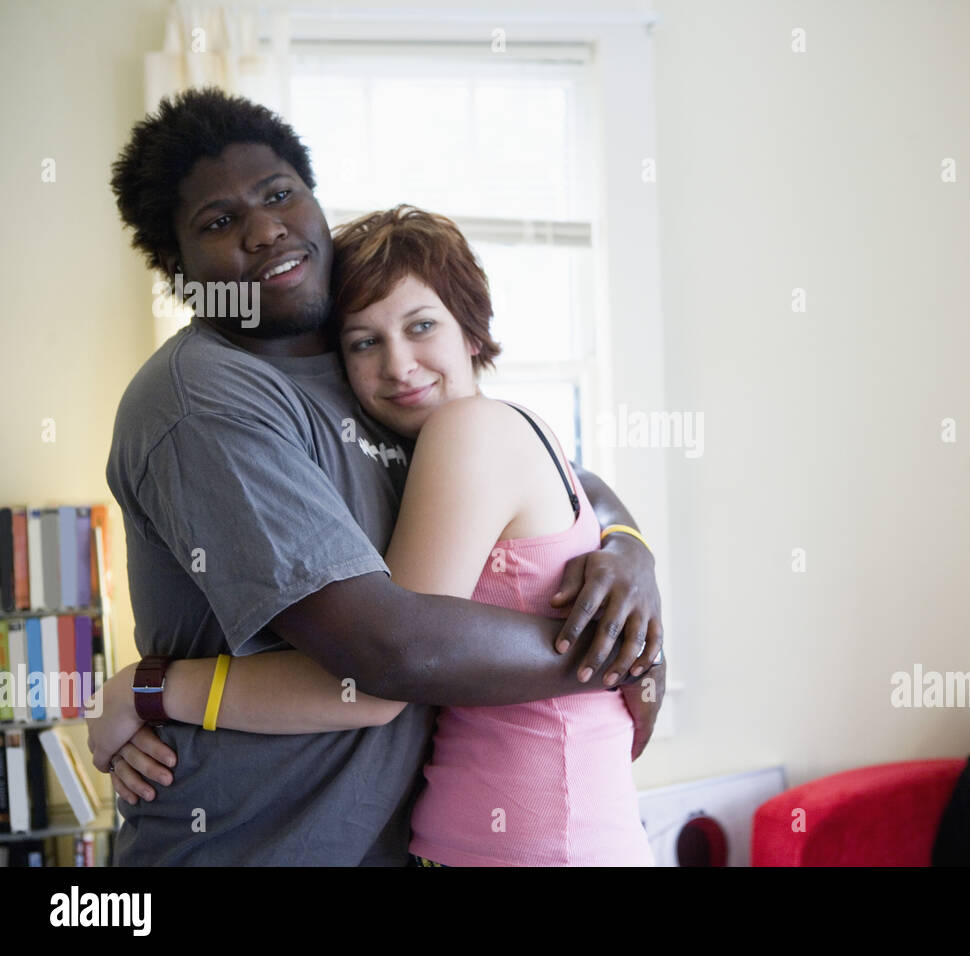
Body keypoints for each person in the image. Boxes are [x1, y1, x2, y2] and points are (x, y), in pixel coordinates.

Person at [91, 87, 664, 865]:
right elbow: (388, 656)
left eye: (280, 194)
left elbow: (544, 475)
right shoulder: (205, 399)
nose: (265, 229)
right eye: (219, 222)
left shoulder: (352, 361)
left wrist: (629, 545)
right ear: (177, 268)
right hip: (246, 847)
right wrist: (622, 652)